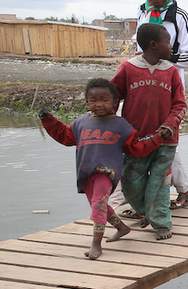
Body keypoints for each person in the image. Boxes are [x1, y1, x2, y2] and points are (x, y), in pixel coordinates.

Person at [40, 79, 166, 258]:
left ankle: (96, 244)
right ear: (87, 102)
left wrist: (157, 138)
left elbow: (136, 147)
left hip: (106, 173)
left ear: (115, 103)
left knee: (98, 205)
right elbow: (66, 136)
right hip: (85, 172)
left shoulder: (121, 126)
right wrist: (49, 120)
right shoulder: (82, 122)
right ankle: (121, 228)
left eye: (104, 100)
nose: (99, 104)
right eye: (93, 100)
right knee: (100, 205)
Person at [111, 24, 186, 240]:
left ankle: (162, 224)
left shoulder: (171, 71)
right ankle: (146, 211)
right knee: (132, 183)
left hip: (166, 140)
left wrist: (169, 125)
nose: (171, 47)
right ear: (154, 45)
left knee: (160, 183)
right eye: (168, 42)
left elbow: (180, 104)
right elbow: (113, 96)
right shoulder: (128, 68)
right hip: (135, 140)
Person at [135, 0, 188, 210]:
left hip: (169, 86)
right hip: (143, 85)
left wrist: (164, 59)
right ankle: (182, 189)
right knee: (154, 138)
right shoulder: (143, 13)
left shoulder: (179, 16)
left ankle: (159, 197)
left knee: (165, 138)